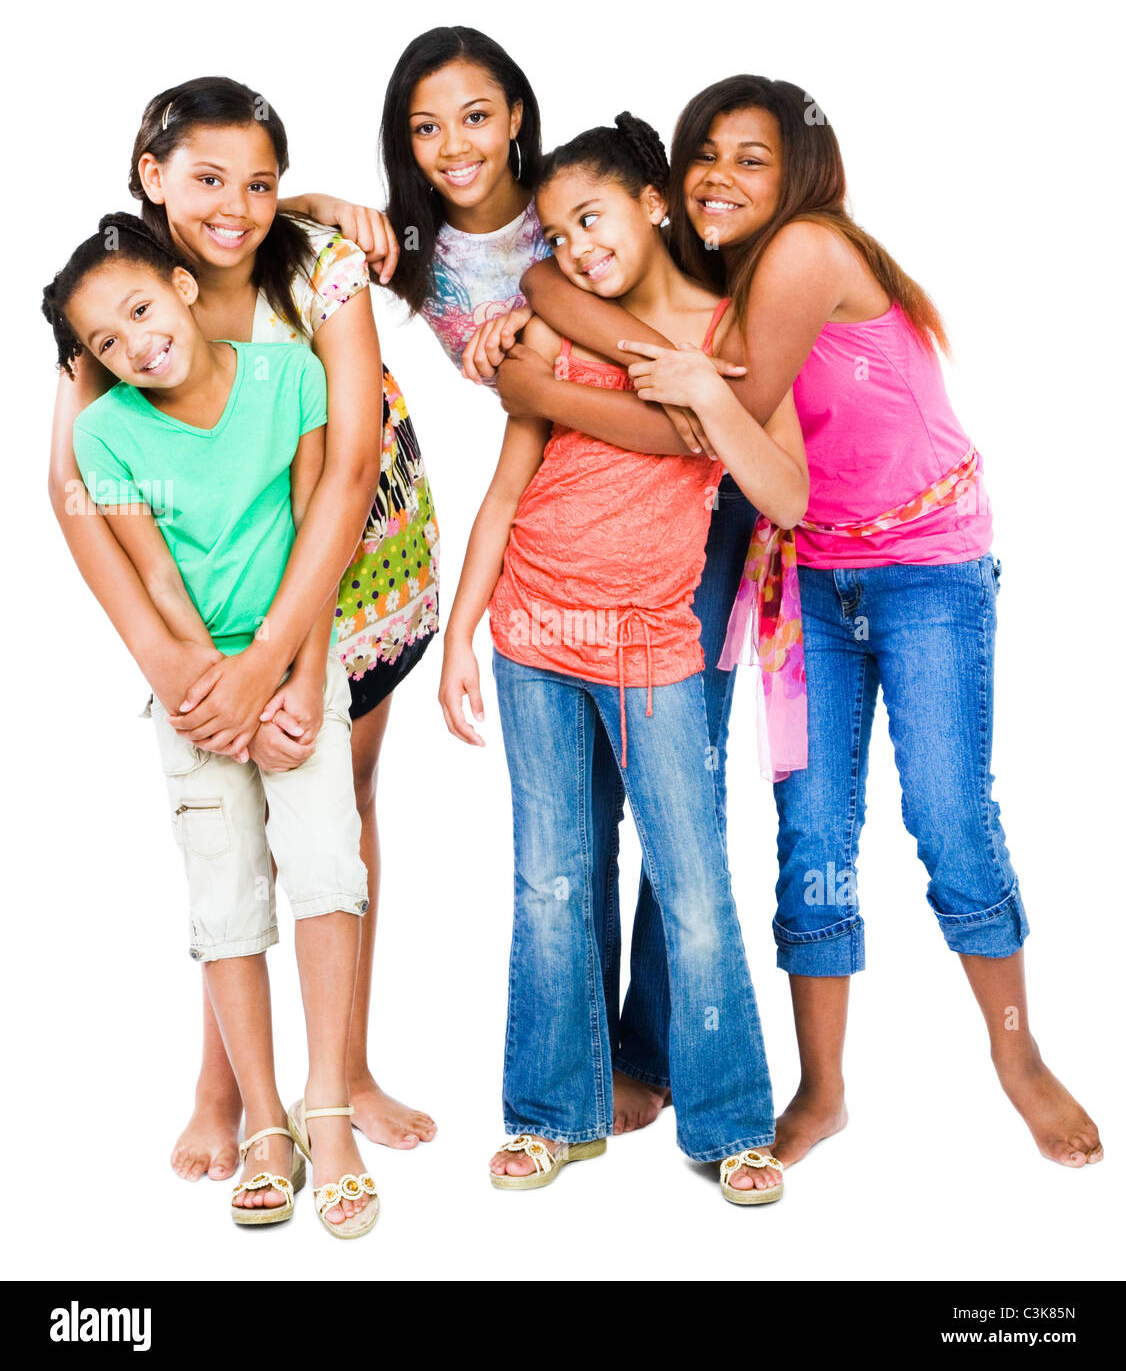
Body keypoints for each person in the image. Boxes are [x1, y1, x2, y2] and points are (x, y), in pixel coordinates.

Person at [508, 74, 1104, 1170]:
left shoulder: (801, 254)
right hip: (804, 584)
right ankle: (821, 1091)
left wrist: (554, 387)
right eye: (704, 155)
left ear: (800, 176)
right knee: (814, 836)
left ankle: (1016, 1056)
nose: (719, 177)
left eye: (751, 158)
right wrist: (553, 291)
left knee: (947, 816)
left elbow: (699, 428)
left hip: (927, 571)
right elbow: (555, 282)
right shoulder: (712, 271)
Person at [47, 77, 438, 1182]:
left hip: (357, 556)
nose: (236, 205)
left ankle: (342, 1072)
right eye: (207, 179)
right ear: (149, 174)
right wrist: (175, 663)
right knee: (230, 835)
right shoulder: (115, 298)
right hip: (218, 603)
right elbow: (69, 489)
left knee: (334, 808)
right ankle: (229, 1088)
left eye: (259, 183)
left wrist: (276, 657)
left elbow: (348, 463)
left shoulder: (315, 261)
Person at [439, 114, 807, 1202]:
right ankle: (556, 1114)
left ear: (651, 202)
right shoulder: (552, 321)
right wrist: (461, 632)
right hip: (533, 635)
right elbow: (507, 487)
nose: (573, 244)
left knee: (692, 881)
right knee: (550, 877)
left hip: (653, 638)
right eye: (554, 232)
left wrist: (702, 393)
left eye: (590, 215)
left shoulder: (731, 334)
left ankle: (732, 1121)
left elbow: (784, 494)